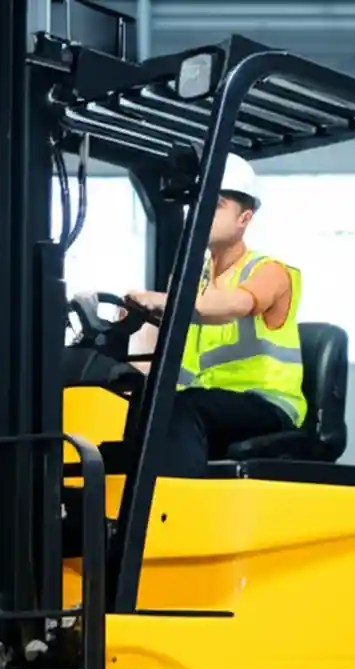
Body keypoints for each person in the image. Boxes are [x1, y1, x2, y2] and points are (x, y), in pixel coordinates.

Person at [125, 154, 305, 478]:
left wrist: (162, 300)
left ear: (244, 218)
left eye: (216, 204)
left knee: (183, 406)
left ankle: (178, 500)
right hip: (208, 401)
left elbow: (233, 306)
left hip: (266, 404)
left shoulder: (269, 272)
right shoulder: (191, 280)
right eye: (197, 202)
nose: (201, 211)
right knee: (144, 402)